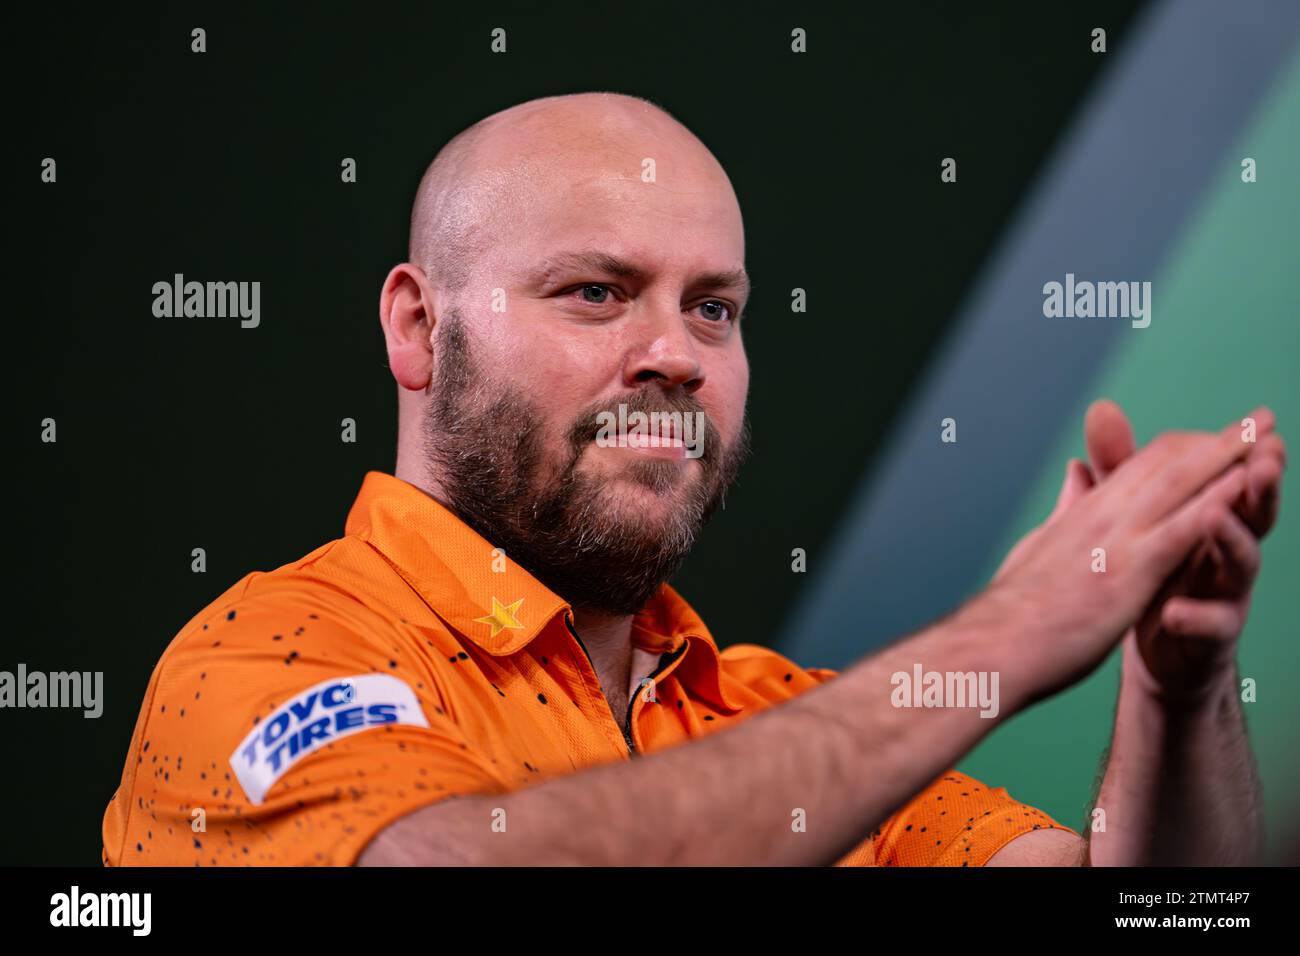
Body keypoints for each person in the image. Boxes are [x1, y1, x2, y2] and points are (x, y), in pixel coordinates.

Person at [101, 91, 1286, 867]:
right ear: (418, 329)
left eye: (712, 307)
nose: (676, 352)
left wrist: (1177, 691)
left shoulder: (773, 715)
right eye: (596, 292)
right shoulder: (262, 659)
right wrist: (1007, 637)